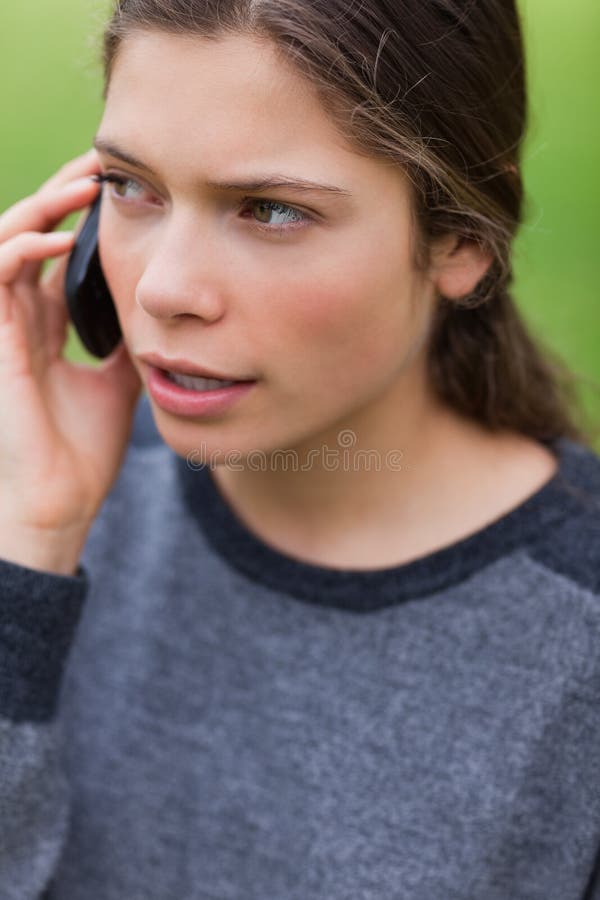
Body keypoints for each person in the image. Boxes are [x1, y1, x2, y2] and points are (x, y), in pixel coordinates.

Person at [1, 1, 599, 897]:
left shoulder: (576, 639)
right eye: (130, 185)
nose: (163, 288)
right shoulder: (38, 506)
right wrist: (30, 550)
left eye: (272, 210)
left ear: (463, 238)